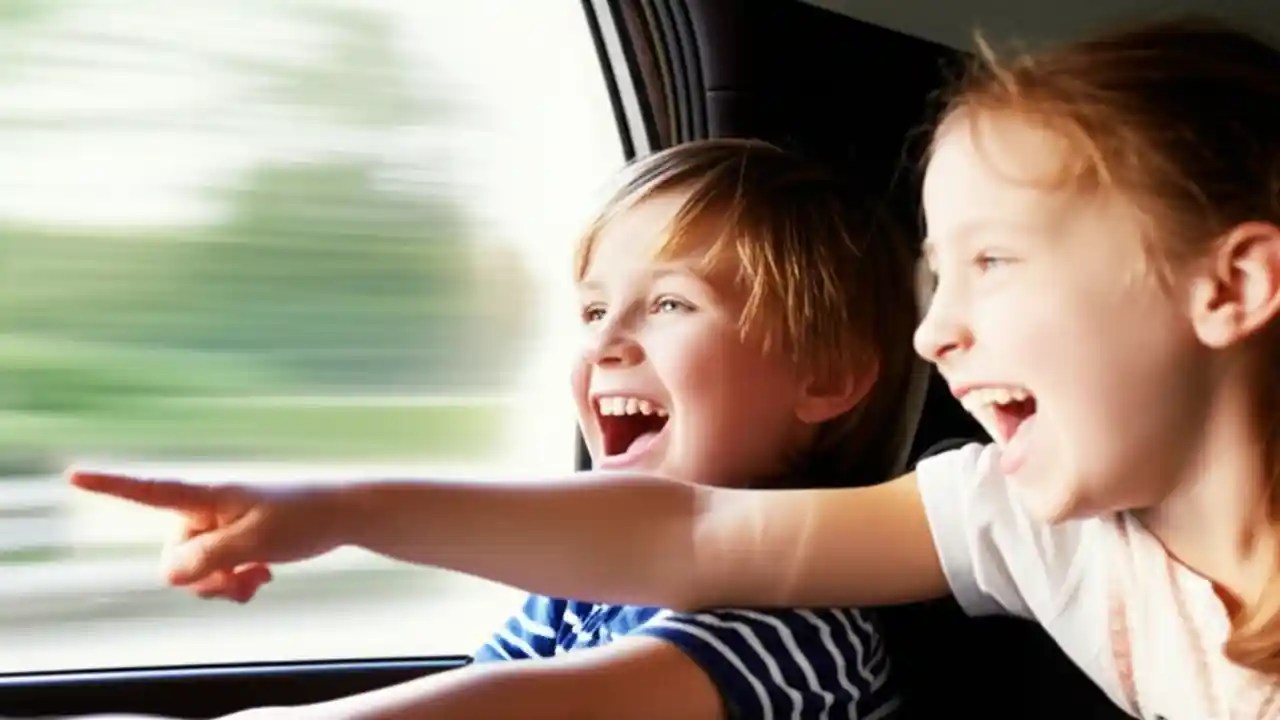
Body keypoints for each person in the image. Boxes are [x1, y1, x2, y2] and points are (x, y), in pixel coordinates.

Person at [74, 14, 1280, 719]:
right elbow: (687, 537)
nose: (934, 333)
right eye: (933, 279)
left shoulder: (804, 639)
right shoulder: (1026, 522)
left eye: (993, 265)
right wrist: (336, 510)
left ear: (1224, 288)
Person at [72, 138, 916, 720]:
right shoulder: (578, 589)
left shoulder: (803, 627)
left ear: (828, 379)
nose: (606, 340)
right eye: (592, 309)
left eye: (669, 304)